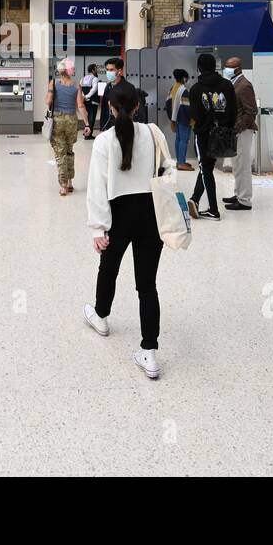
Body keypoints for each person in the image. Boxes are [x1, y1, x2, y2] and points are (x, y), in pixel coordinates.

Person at [84, 79, 170, 380]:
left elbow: (97, 187)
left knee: (108, 268)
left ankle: (101, 315)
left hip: (118, 214)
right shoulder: (153, 132)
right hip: (151, 214)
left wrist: (98, 228)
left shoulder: (104, 141)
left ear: (109, 106)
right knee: (147, 285)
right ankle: (149, 352)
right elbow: (168, 170)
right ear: (137, 106)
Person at [185, 53, 235, 220]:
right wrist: (226, 127)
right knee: (206, 167)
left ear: (199, 68)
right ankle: (194, 199)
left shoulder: (195, 89)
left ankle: (213, 209)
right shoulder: (227, 85)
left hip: (203, 134)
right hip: (222, 134)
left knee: (205, 168)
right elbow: (233, 110)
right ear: (215, 66)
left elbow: (195, 115)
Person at [45, 56, 92, 196]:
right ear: (70, 70)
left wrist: (51, 92)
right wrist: (87, 124)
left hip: (58, 121)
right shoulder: (77, 85)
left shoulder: (53, 83)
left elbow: (47, 101)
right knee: (69, 151)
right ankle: (70, 182)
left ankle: (63, 185)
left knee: (60, 154)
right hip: (72, 120)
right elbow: (81, 106)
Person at [222, 56, 258, 212]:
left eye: (228, 67)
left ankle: (244, 200)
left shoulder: (244, 85)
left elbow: (251, 111)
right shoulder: (234, 83)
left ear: (237, 69)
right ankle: (238, 194)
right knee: (237, 165)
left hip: (243, 131)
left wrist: (238, 127)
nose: (226, 69)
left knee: (242, 166)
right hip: (236, 130)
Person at [166, 69, 194, 171]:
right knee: (184, 140)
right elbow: (187, 108)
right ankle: (181, 163)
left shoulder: (172, 88)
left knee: (178, 139)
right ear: (184, 78)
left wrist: (172, 119)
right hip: (183, 119)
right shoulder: (183, 90)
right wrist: (191, 119)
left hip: (175, 119)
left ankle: (179, 161)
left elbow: (168, 104)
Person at [97, 57, 124, 131]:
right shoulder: (108, 87)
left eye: (111, 70)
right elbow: (104, 109)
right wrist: (103, 126)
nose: (108, 72)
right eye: (107, 70)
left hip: (122, 127)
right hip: (109, 127)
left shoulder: (126, 88)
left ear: (119, 71)